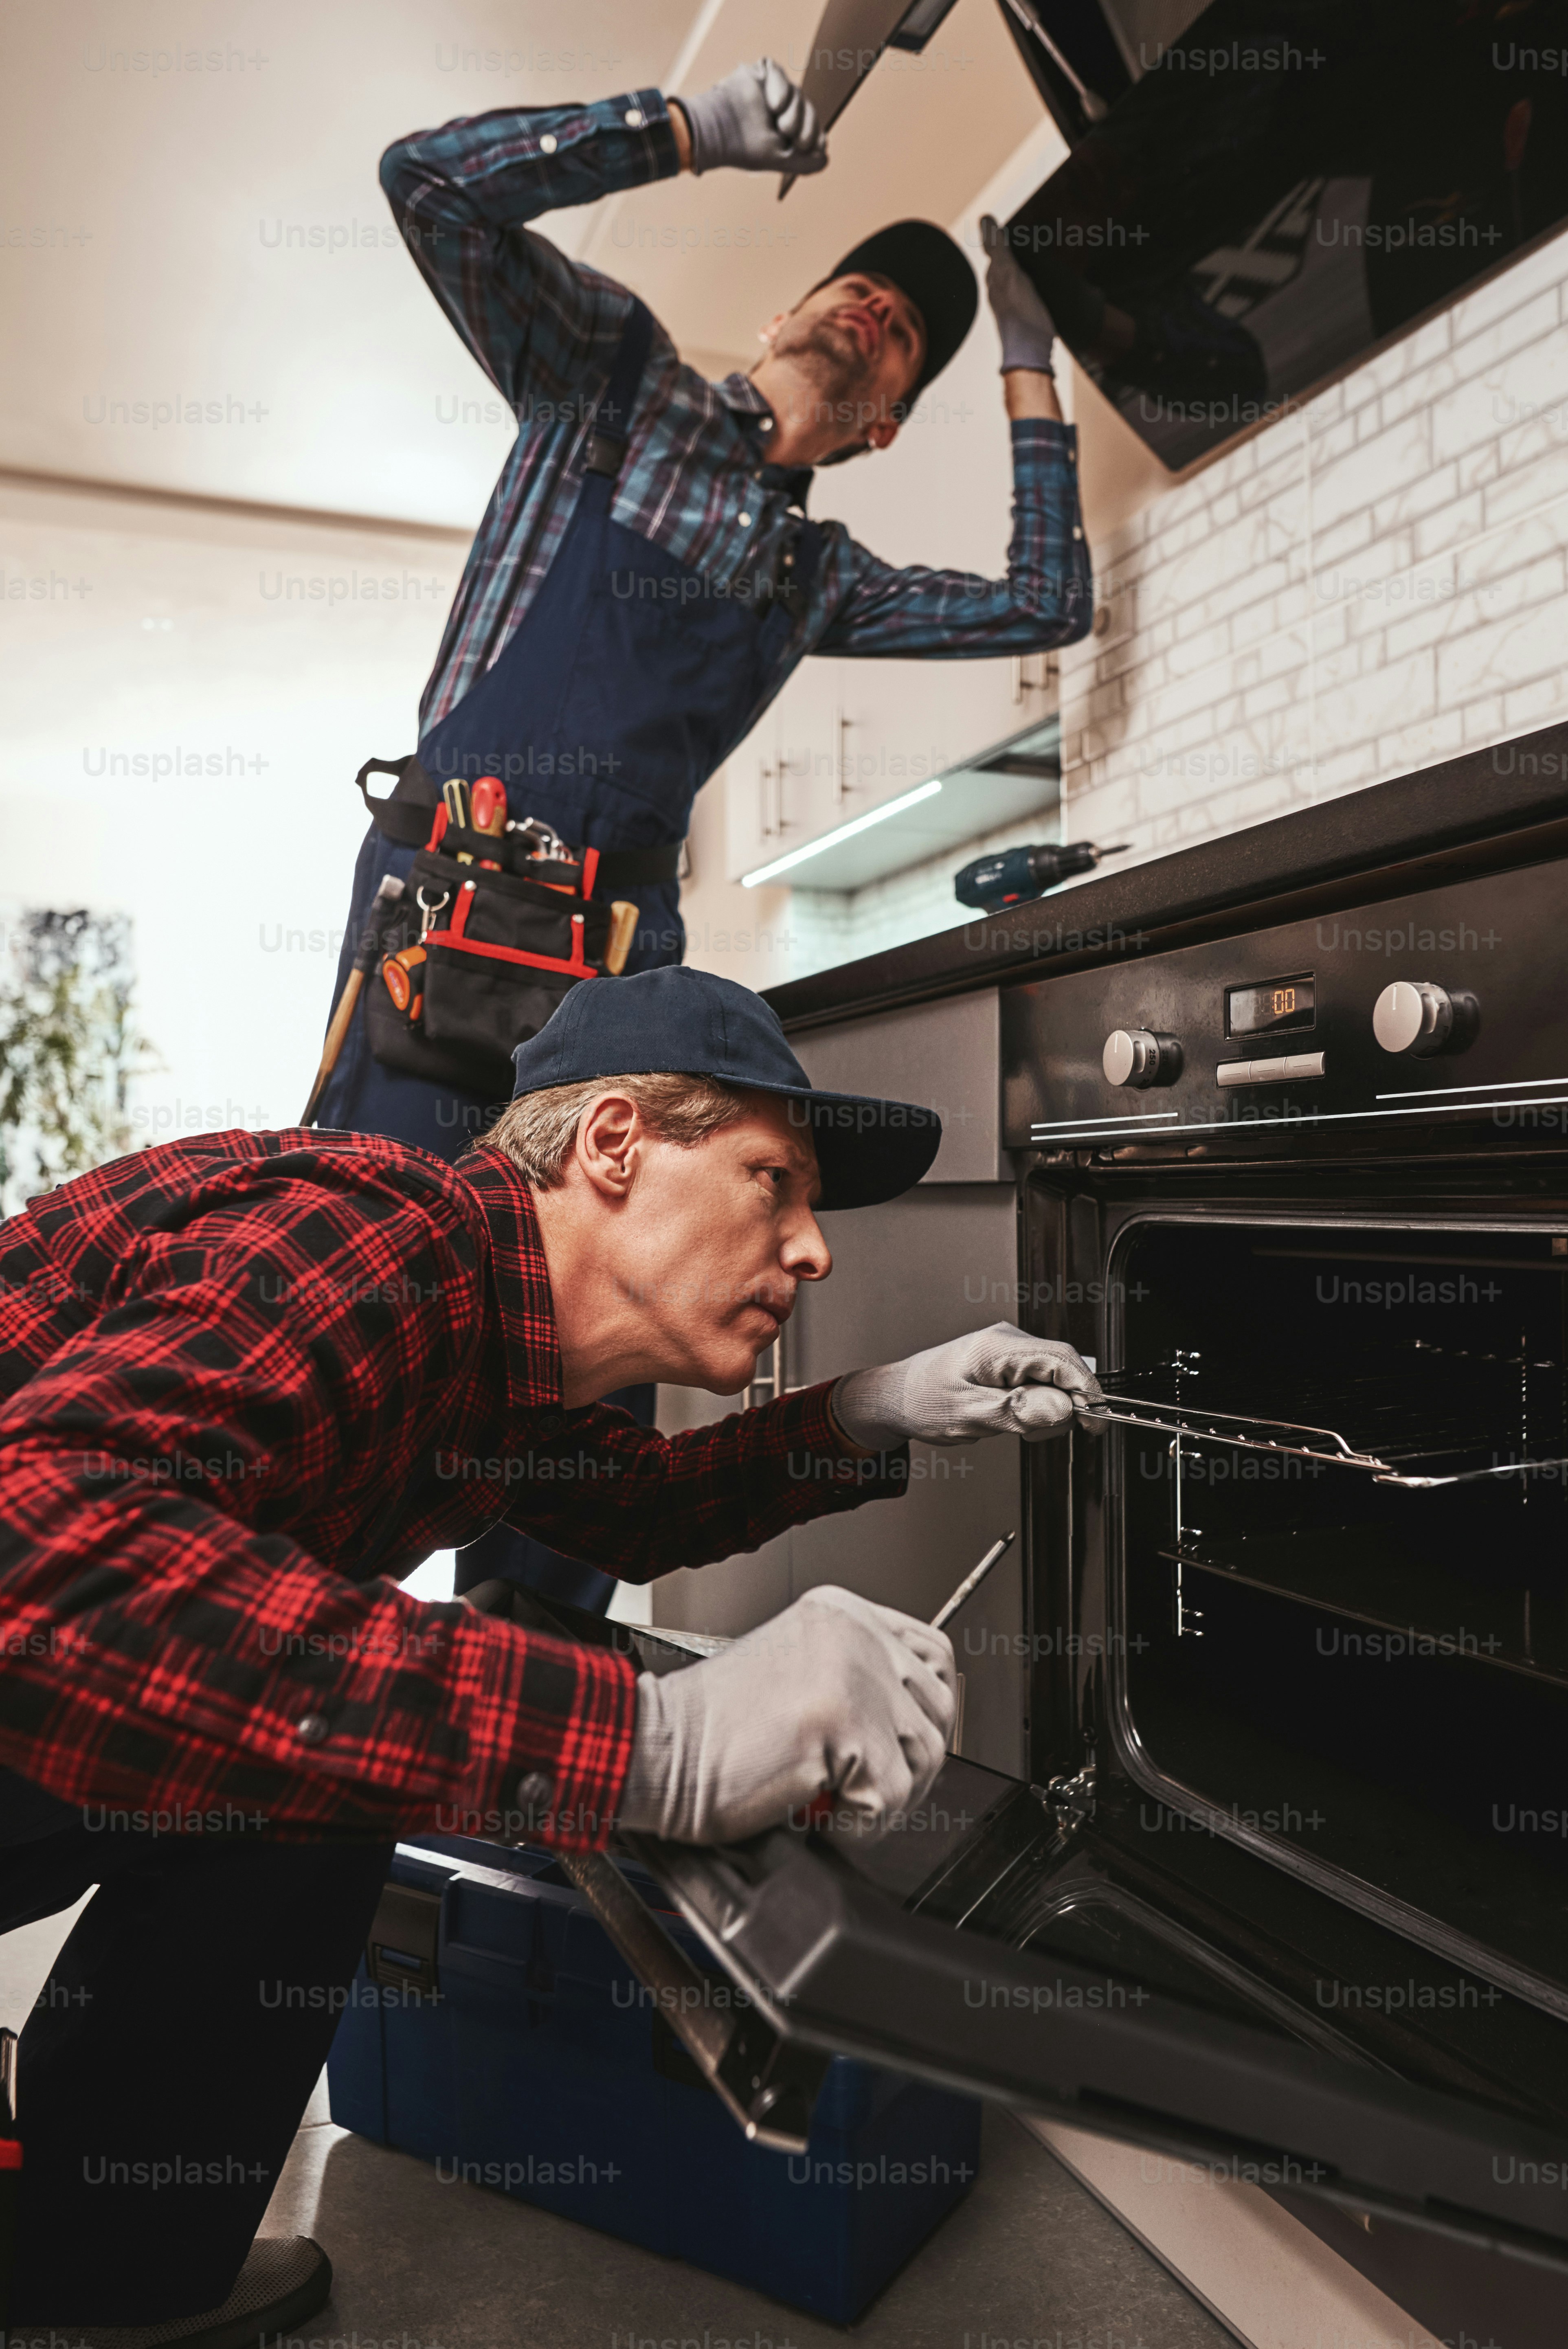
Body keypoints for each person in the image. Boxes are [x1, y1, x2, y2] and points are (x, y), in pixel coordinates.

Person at [0, 967, 1100, 2347]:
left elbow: (634, 1505)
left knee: (328, 1753)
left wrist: (873, 1411)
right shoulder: (374, 1237)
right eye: (776, 1181)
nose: (814, 1249)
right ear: (615, 1144)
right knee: (332, 1758)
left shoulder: (488, 1349)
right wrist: (658, 1747)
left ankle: (99, 2281)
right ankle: (103, 2281)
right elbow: (40, 1556)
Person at [310, 54, 1090, 1608]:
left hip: (616, 994)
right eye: (861, 286)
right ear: (795, 302)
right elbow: (430, 180)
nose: (877, 311)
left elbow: (1043, 602)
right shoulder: (611, 382)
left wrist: (1024, 370)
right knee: (358, 1325)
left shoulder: (820, 577)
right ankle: (264, 1701)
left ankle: (543, 1781)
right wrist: (683, 132)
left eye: (910, 331)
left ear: (881, 428)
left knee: (592, 1376)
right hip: (448, 930)